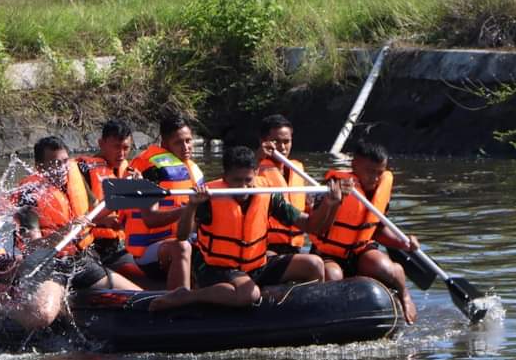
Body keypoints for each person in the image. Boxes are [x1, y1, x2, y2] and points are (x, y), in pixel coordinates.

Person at [153, 145, 343, 311]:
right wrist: (192, 206)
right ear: (225, 177)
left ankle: (304, 312)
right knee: (248, 295)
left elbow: (311, 226)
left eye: (248, 180)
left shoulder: (266, 194)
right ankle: (187, 296)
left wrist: (329, 204)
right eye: (237, 181)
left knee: (315, 265)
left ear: (255, 174)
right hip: (216, 268)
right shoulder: (209, 198)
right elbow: (181, 235)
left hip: (256, 265)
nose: (243, 187)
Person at [12, 136, 140, 329]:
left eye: (64, 162)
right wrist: (66, 231)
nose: (62, 168)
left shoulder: (74, 175)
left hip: (80, 260)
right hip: (49, 265)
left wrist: (127, 191)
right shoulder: (29, 196)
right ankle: (1, 310)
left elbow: (95, 213)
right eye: (55, 164)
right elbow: (32, 246)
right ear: (39, 167)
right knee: (42, 316)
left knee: (137, 297)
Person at [309, 139, 420, 324]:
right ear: (355, 164)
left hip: (361, 250)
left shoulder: (379, 189)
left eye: (379, 173)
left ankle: (404, 295)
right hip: (328, 253)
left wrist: (403, 243)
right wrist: (333, 201)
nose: (375, 178)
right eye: (370, 172)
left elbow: (377, 229)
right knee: (333, 275)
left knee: (383, 267)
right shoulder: (333, 184)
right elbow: (318, 224)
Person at [124, 113, 205, 289]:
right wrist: (187, 210)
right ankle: (179, 299)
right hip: (150, 250)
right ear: (165, 144)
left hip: (183, 238)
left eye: (189, 141)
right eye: (179, 142)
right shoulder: (149, 169)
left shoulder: (194, 170)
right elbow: (150, 219)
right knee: (182, 246)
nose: (186, 147)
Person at [75, 119, 144, 280]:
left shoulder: (129, 172)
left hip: (125, 244)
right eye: (116, 147)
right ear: (101, 143)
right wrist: (103, 221)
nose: (121, 154)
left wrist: (139, 189)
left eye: (126, 148)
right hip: (97, 247)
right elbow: (79, 217)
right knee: (143, 279)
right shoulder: (82, 171)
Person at [255, 114, 310, 255]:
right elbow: (244, 185)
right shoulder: (253, 169)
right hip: (265, 246)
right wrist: (256, 159)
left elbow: (307, 208)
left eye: (286, 141)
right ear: (263, 141)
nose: (282, 148)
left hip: (294, 244)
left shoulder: (298, 169)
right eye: (276, 141)